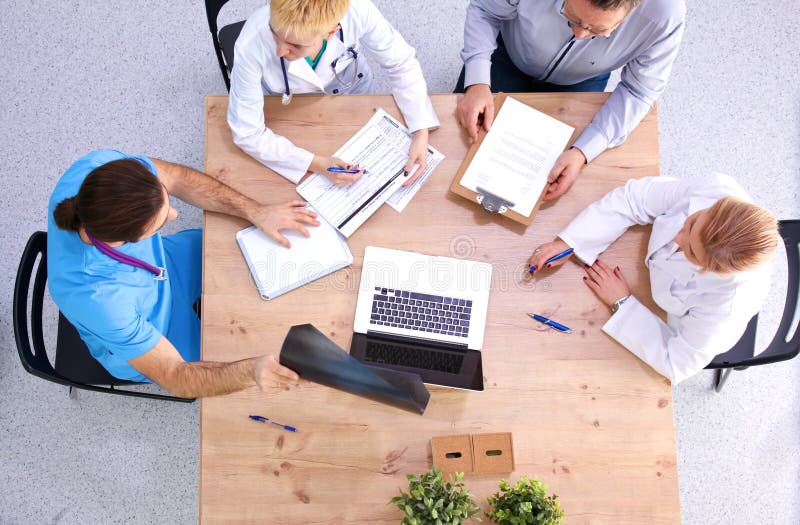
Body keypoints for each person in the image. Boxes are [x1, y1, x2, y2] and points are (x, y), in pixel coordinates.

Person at [48, 149, 319, 397]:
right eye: (160, 223)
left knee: (242, 243)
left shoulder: (100, 168)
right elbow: (176, 375)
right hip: (156, 329)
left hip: (164, 264)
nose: (175, 215)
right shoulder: (101, 302)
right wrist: (251, 372)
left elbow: (176, 177)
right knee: (243, 351)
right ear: (123, 242)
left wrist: (255, 211)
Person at [527, 174, 779, 384]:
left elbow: (676, 362)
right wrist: (572, 242)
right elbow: (635, 199)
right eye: (692, 223)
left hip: (672, 320)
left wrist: (622, 304)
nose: (677, 238)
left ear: (714, 271)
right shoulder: (716, 190)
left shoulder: (726, 307)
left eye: (691, 252)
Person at [456, 0, 685, 201]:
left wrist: (583, 152)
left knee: (554, 177)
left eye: (598, 29)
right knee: (461, 146)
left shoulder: (666, 14)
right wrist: (477, 82)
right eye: (572, 15)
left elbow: (638, 92)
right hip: (509, 52)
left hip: (583, 78)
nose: (580, 34)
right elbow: (485, 10)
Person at [227, 0, 440, 187]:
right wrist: (319, 164)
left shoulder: (357, 9)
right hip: (287, 106)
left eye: (295, 45)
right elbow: (247, 132)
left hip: (349, 89)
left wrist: (420, 131)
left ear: (331, 32)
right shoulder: (251, 42)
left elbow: (401, 62)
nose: (280, 51)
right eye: (275, 34)